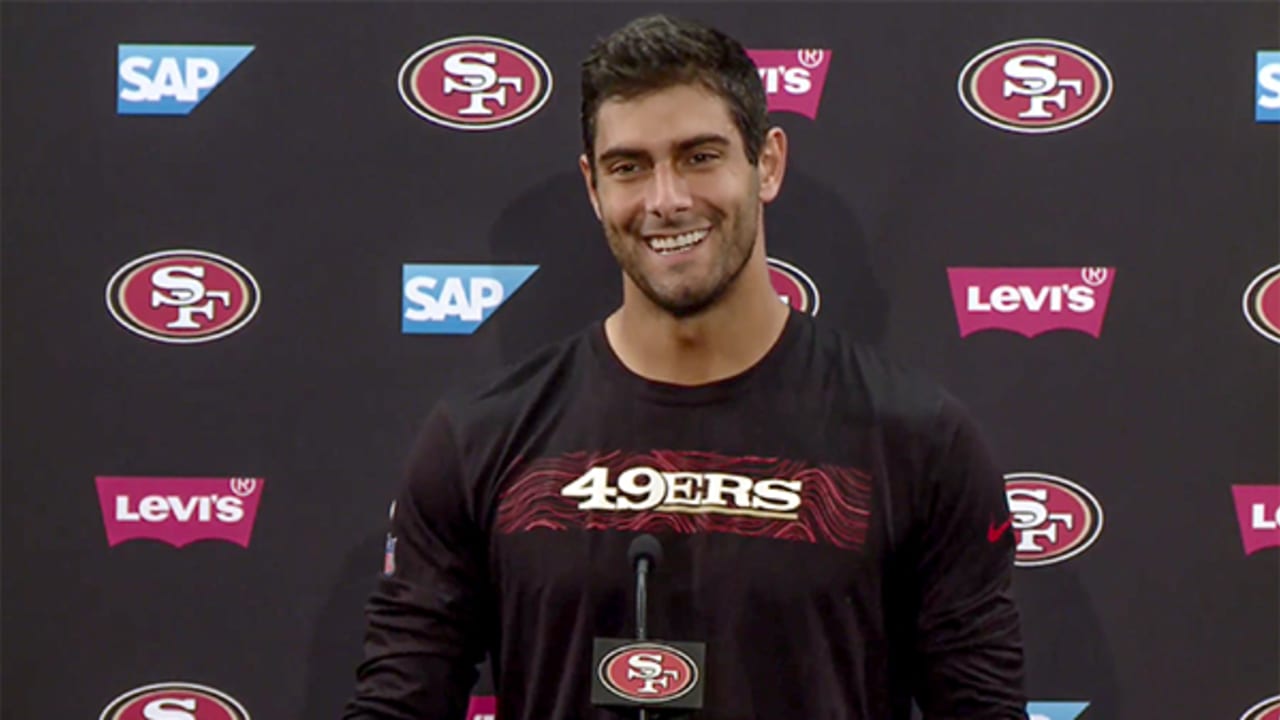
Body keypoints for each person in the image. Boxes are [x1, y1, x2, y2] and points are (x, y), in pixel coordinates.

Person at [344, 13, 1026, 720]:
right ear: (593, 187)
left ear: (767, 163)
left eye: (699, 157)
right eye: (629, 167)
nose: (666, 200)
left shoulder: (918, 441)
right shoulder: (480, 440)